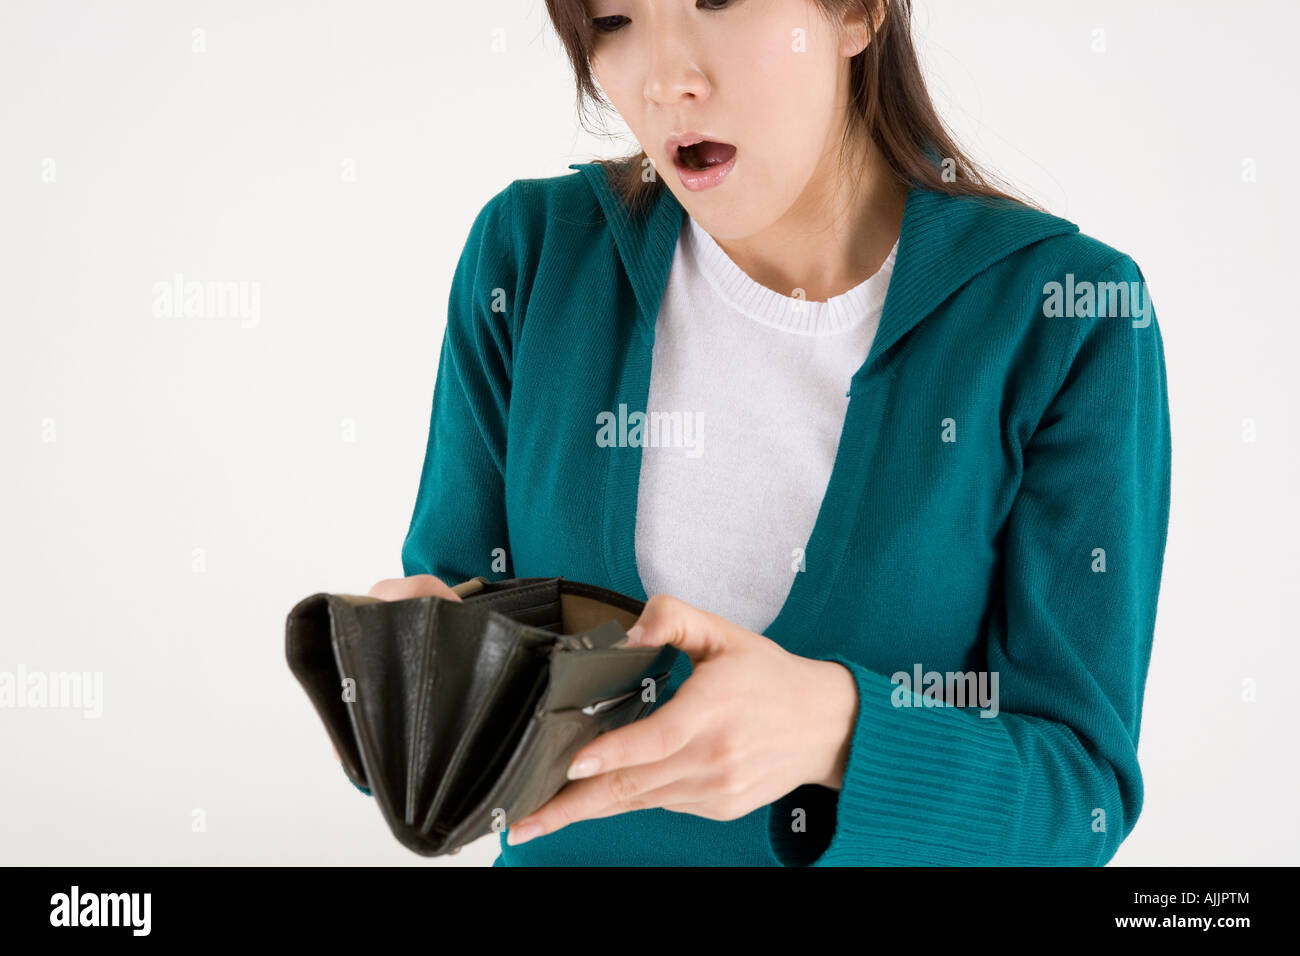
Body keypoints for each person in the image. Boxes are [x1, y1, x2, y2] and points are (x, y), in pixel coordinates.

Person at [359, 0, 1171, 866]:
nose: (668, 79)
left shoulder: (1066, 314)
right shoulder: (530, 258)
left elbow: (1079, 797)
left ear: (856, 14)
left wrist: (833, 731)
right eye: (612, 19)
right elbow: (443, 727)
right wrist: (405, 685)